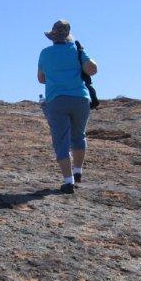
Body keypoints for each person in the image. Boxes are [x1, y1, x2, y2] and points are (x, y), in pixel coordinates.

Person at [37, 19, 98, 194]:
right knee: (79, 135)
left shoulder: (45, 53)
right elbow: (92, 69)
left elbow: (41, 79)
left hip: (56, 100)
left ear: (53, 37)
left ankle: (68, 181)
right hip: (81, 99)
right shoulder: (77, 50)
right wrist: (81, 52)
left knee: (61, 139)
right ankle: (78, 171)